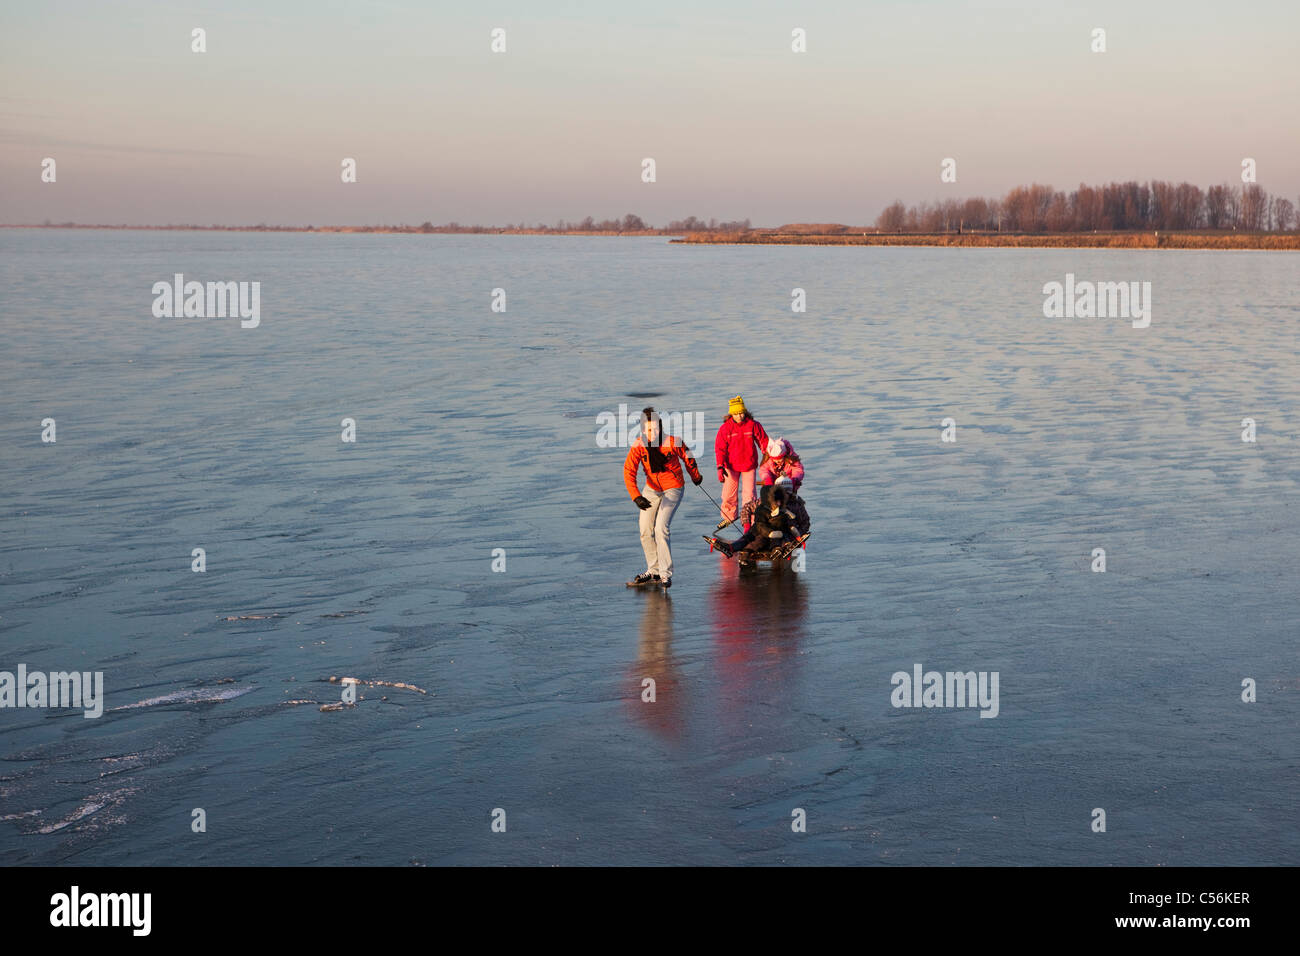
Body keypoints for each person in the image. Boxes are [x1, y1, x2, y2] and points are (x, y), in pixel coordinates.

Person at [624, 406, 703, 588]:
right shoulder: (639, 445)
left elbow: (688, 457)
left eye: (657, 428)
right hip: (651, 488)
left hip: (673, 488)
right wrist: (636, 496)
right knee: (645, 528)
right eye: (650, 429)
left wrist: (695, 476)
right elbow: (629, 471)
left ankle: (665, 574)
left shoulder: (673, 441)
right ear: (644, 429)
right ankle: (654, 570)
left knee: (661, 527)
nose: (654, 433)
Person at [713, 395, 769, 531]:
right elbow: (720, 449)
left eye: (741, 413)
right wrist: (720, 467)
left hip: (749, 465)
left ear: (745, 411)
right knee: (728, 495)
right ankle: (729, 517)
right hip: (730, 466)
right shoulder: (725, 428)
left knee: (749, 495)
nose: (739, 416)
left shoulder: (753, 425)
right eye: (736, 414)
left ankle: (750, 521)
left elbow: (764, 442)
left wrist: (769, 460)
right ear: (731, 414)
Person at [713, 481, 809, 559]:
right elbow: (747, 508)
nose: (783, 498)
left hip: (782, 534)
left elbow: (804, 522)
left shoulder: (796, 505)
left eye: (787, 494)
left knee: (781, 537)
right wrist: (747, 526)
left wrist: (797, 536)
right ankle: (735, 549)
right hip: (762, 532)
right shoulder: (763, 502)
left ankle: (783, 548)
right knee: (753, 539)